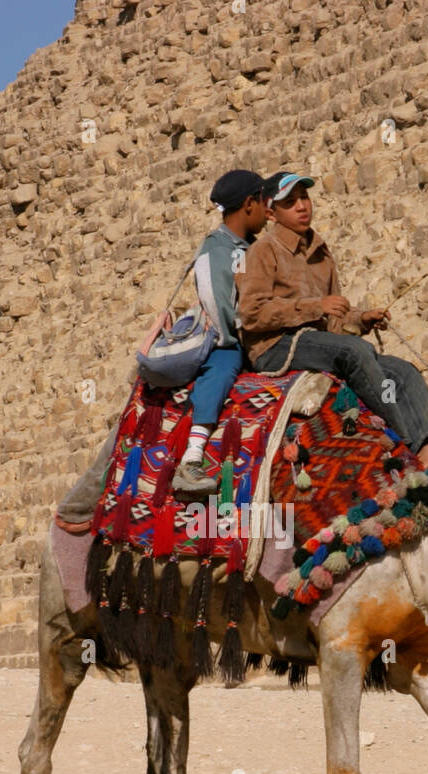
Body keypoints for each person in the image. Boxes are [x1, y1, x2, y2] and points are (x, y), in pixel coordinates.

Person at [54, 169, 268, 534]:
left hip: (240, 332)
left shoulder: (246, 249)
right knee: (225, 366)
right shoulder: (218, 250)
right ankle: (192, 459)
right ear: (249, 205)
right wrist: (245, 341)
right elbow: (219, 307)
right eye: (265, 202)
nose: (270, 211)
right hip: (219, 340)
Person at [236, 171, 428, 475]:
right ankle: (403, 448)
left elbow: (335, 312)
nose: (302, 206)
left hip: (320, 342)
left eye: (305, 197)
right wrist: (315, 307)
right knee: (355, 352)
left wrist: (361, 318)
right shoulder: (262, 251)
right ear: (272, 212)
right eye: (290, 202)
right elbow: (252, 314)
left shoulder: (320, 252)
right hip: (276, 346)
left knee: (400, 371)